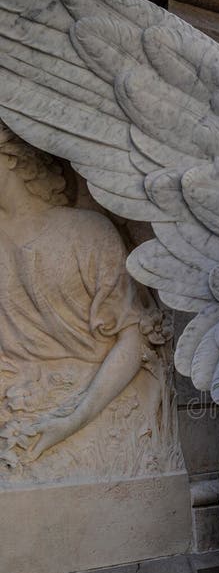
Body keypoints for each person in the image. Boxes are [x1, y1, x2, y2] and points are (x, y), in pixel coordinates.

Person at [0, 124, 178, 481]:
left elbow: (133, 337)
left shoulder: (88, 232)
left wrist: (73, 418)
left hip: (95, 411)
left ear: (11, 159)